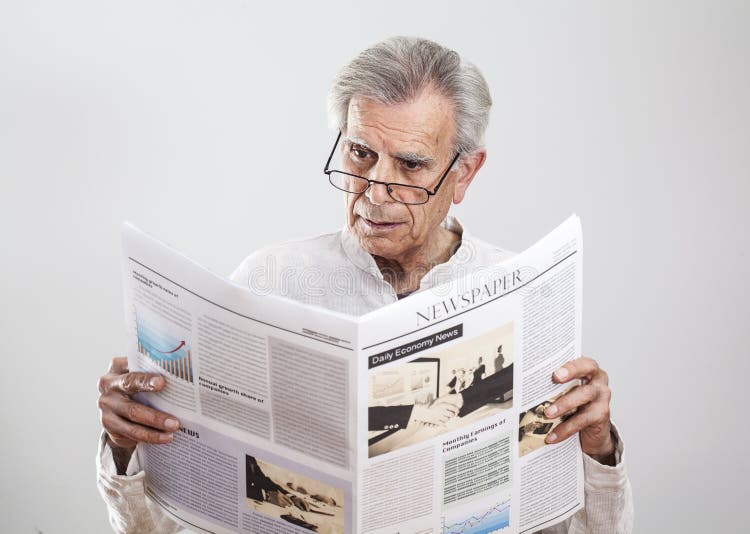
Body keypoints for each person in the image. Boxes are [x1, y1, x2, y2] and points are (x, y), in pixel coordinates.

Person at [97, 36, 633, 533]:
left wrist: (596, 450)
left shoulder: (522, 297)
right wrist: (126, 450)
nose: (376, 190)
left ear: (465, 173)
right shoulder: (267, 280)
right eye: (360, 154)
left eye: (411, 164)